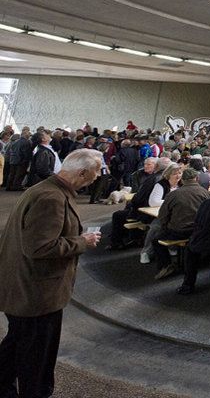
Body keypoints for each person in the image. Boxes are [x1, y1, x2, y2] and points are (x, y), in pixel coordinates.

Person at [0, 149, 101, 397]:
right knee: (35, 355)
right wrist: (82, 241)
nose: (98, 177)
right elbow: (40, 247)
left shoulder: (47, 190)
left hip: (27, 288)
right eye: (96, 172)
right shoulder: (51, 198)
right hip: (37, 292)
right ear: (82, 173)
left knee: (17, 344)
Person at [152, 168, 209, 280]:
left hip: (178, 231)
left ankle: (166, 265)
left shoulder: (173, 195)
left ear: (182, 180)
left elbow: (162, 216)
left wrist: (166, 227)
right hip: (198, 231)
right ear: (196, 179)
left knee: (155, 240)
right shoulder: (205, 193)